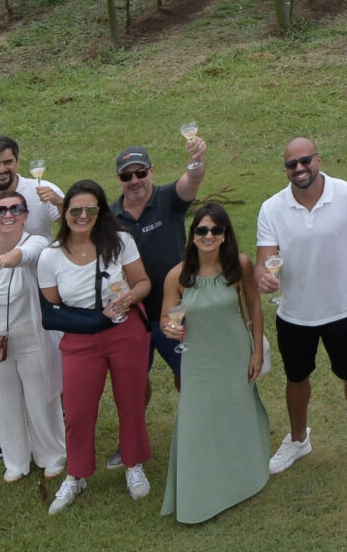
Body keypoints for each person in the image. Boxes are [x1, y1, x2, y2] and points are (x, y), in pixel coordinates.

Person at [253, 137, 347, 473]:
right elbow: (263, 261)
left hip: (344, 308)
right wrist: (263, 277)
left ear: (318, 160)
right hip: (295, 314)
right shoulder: (272, 208)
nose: (299, 169)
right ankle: (298, 440)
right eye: (291, 164)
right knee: (296, 378)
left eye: (305, 161)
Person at [39, 180, 155, 513]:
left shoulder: (120, 242)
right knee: (77, 411)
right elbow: (52, 309)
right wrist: (92, 320)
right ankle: (76, 474)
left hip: (125, 332)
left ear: (101, 211)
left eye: (91, 209)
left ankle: (133, 464)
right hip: (80, 340)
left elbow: (143, 282)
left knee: (130, 400)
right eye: (76, 210)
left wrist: (131, 296)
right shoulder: (50, 256)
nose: (83, 216)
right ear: (64, 213)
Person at [158, 203, 272, 523]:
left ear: (225, 236)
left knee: (237, 416)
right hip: (198, 359)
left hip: (235, 352)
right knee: (198, 424)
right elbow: (167, 317)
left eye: (216, 230)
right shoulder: (177, 276)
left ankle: (244, 478)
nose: (208, 236)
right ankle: (199, 494)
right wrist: (170, 327)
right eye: (202, 230)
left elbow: (254, 307)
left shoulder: (240, 265)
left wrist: (257, 352)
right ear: (192, 236)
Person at [0, 188, 64, 484]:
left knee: (41, 399)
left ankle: (51, 454)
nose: (8, 215)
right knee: (3, 402)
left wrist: (5, 260)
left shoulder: (39, 244)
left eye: (15, 209)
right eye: (1, 211)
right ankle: (16, 459)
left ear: (25, 216)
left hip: (31, 337)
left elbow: (26, 256)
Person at [111, 137, 210, 388]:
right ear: (118, 179)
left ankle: (192, 423)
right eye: (127, 176)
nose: (134, 181)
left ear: (152, 171)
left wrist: (196, 159)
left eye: (140, 173)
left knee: (187, 374)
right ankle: (136, 427)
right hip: (134, 314)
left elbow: (193, 180)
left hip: (177, 308)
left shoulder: (169, 198)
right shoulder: (111, 217)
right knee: (136, 382)